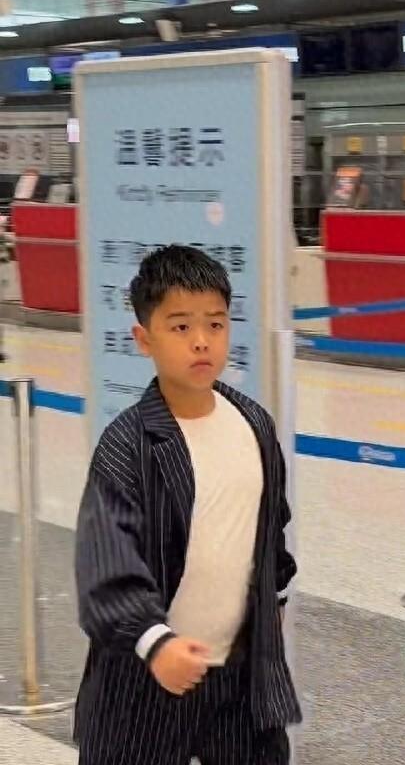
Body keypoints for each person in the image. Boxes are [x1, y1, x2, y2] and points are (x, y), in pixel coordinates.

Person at [74, 245, 301, 765]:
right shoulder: (128, 445)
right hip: (147, 675)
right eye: (180, 327)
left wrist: (274, 600)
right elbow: (105, 562)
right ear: (144, 339)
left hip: (239, 676)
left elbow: (270, 529)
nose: (201, 341)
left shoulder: (253, 423)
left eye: (215, 324)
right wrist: (155, 642)